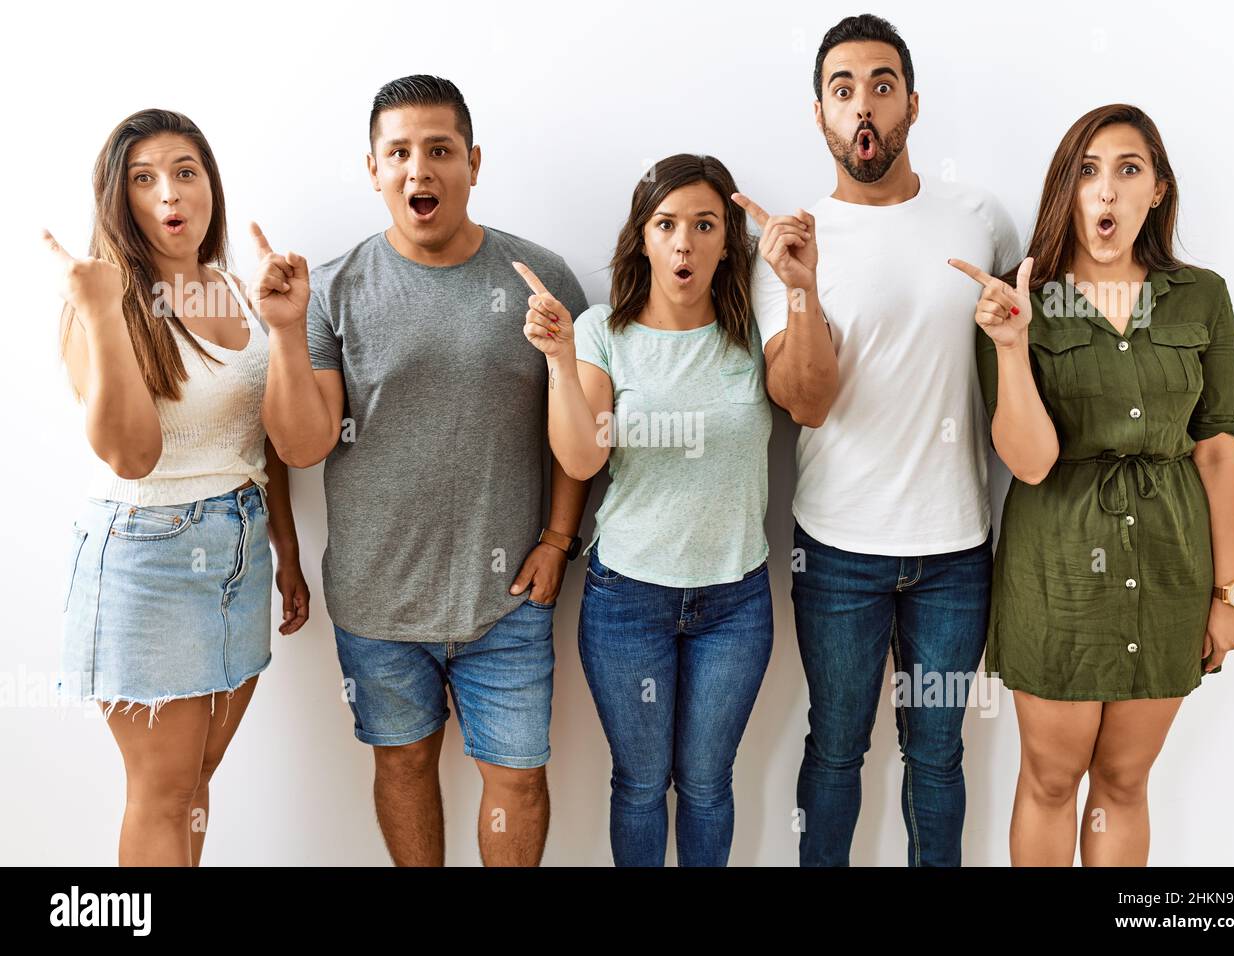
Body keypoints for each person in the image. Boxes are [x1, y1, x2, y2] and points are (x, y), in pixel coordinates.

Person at [256, 75, 591, 867]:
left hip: (505, 597)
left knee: (519, 781)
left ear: (473, 162)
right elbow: (302, 446)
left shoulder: (538, 278)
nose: (419, 171)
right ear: (372, 168)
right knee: (403, 764)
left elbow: (575, 423)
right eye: (399, 152)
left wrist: (557, 537)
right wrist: (279, 331)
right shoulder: (332, 290)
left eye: (439, 150)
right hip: (377, 598)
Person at [736, 13, 1022, 866]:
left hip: (957, 548)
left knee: (937, 756)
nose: (864, 104)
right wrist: (803, 287)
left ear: (912, 105)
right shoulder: (785, 247)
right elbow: (805, 403)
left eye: (882, 86)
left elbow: (1015, 340)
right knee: (835, 747)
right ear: (819, 113)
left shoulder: (980, 220)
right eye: (844, 87)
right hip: (838, 552)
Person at [952, 103, 1234, 866]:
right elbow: (1028, 461)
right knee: (1052, 780)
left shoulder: (1202, 297)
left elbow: (1217, 448)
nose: (1106, 192)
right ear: (1067, 189)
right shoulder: (1020, 301)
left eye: (1128, 170)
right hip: (1055, 573)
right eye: (1087, 172)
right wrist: (1012, 347)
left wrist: (1231, 594)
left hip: (1168, 571)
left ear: (1157, 189)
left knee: (1124, 778)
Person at [50, 108, 310, 866]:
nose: (171, 192)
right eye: (145, 178)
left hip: (240, 551)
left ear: (210, 185)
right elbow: (129, 455)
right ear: (120, 199)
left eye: (186, 171)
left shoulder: (240, 290)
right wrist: (101, 313)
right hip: (148, 557)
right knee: (161, 794)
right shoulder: (101, 304)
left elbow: (265, 445)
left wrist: (286, 553)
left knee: (197, 777)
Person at [515, 153, 772, 866]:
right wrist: (562, 362)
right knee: (638, 784)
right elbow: (581, 459)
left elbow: (817, 390)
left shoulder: (754, 331)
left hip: (735, 603)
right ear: (644, 238)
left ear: (727, 243)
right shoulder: (601, 331)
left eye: (704, 225)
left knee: (706, 784)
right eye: (667, 224)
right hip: (628, 599)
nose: (684, 242)